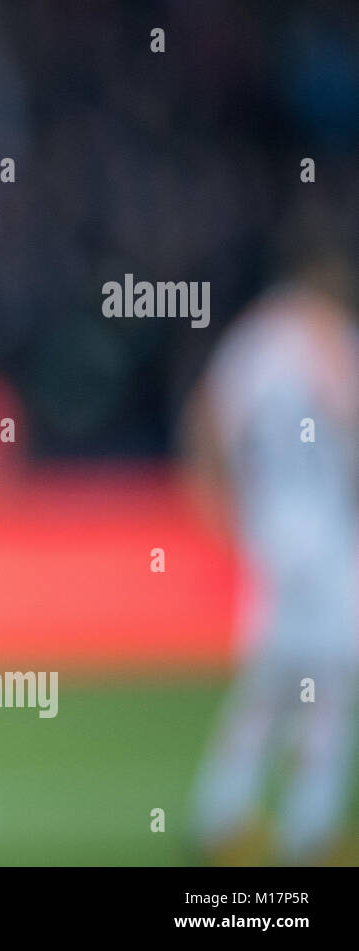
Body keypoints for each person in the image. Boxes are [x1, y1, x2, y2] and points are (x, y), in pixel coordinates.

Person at [184, 249, 359, 865]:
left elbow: (210, 416)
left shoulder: (255, 342)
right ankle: (306, 828)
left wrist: (214, 491)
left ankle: (223, 814)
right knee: (331, 682)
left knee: (276, 681)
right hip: (326, 532)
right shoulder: (331, 339)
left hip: (273, 526)